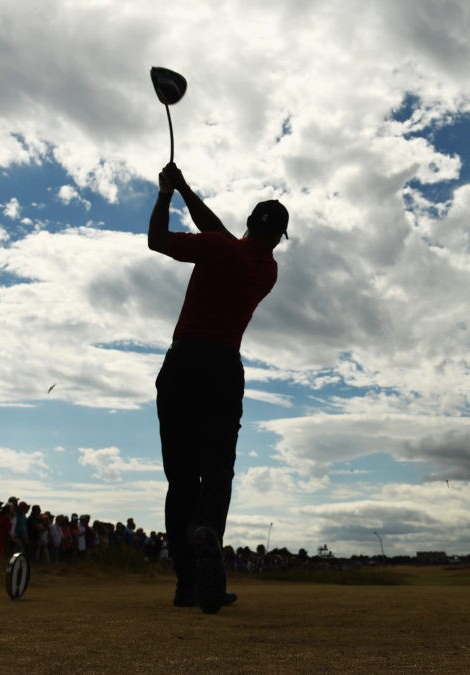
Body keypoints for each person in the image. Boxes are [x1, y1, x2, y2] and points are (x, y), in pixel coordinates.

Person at [148, 162, 288, 613]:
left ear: (247, 223)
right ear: (278, 238)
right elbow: (223, 237)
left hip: (183, 363)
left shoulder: (218, 247)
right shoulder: (267, 270)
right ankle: (208, 528)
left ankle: (186, 584)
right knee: (218, 469)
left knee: (181, 479)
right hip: (224, 368)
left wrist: (167, 194)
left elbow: (158, 240)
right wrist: (185, 188)